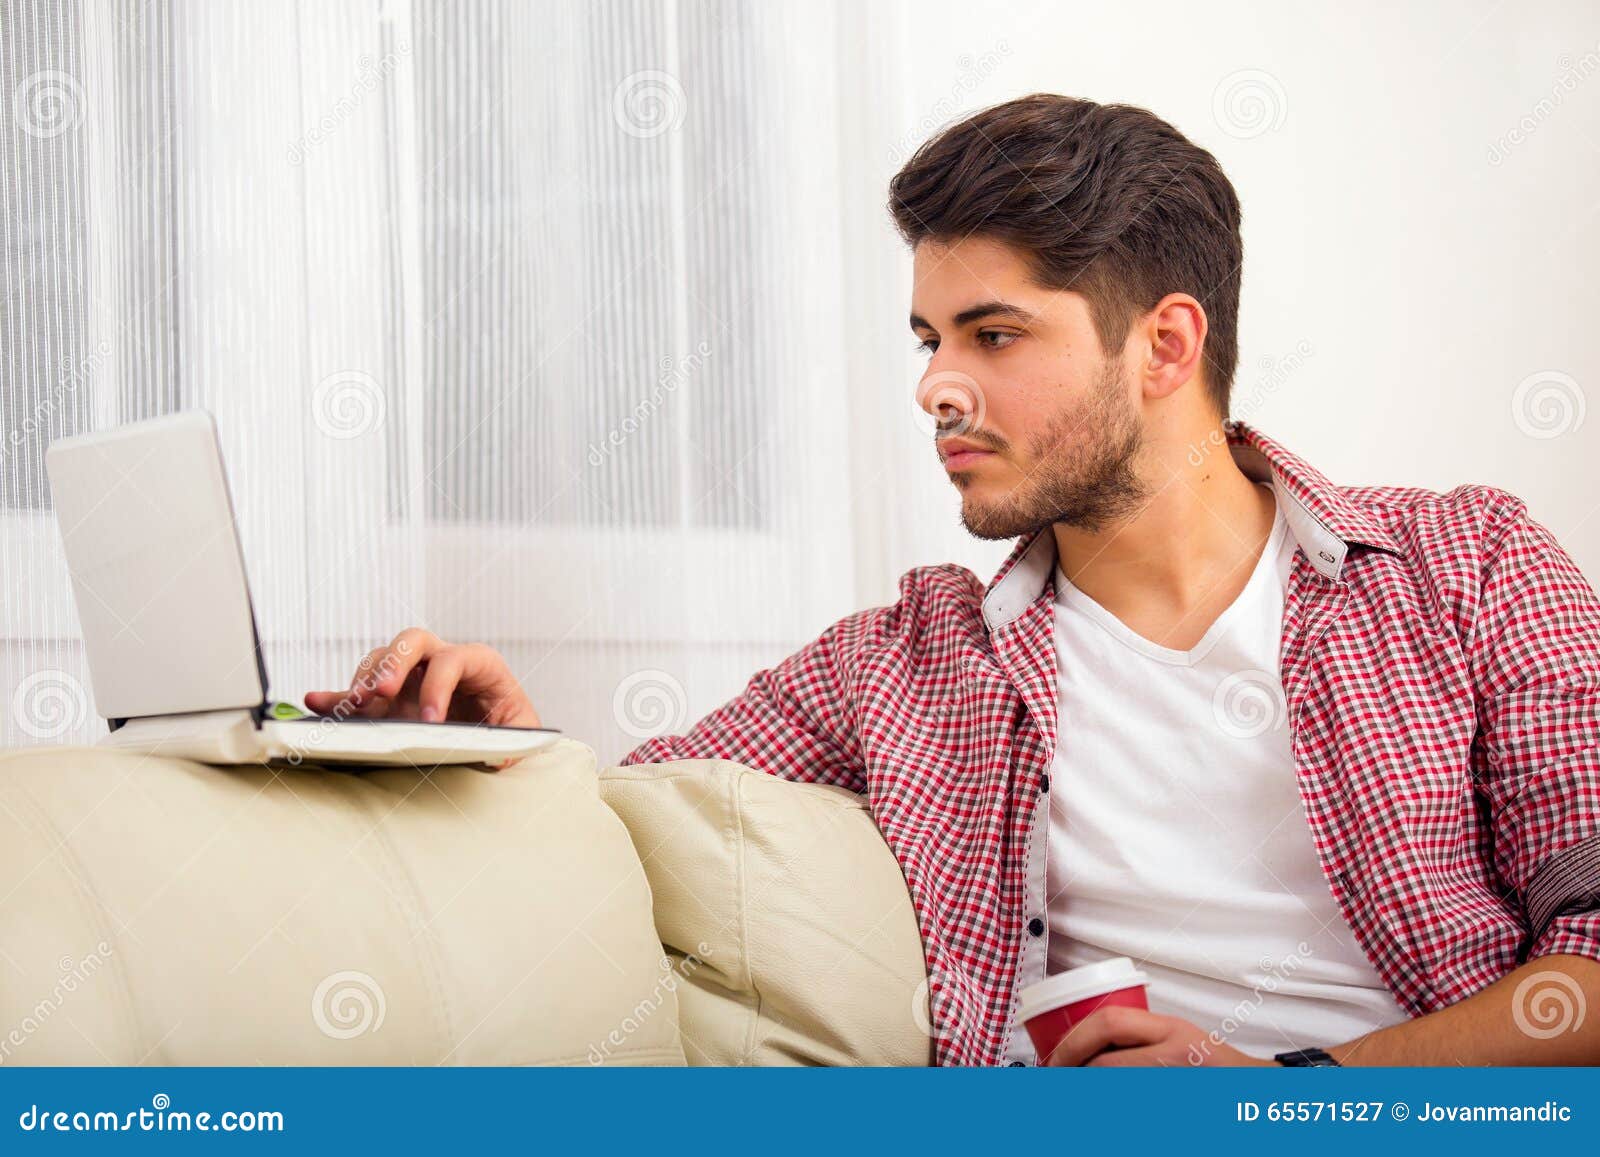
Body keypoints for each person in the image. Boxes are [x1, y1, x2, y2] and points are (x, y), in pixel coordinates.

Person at [308, 94, 1600, 1068]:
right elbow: (640, 809)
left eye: (994, 335)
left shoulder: (1467, 568)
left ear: (1165, 345)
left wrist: (1280, 1095)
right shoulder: (906, 657)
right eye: (931, 339)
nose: (938, 384)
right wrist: (509, 746)